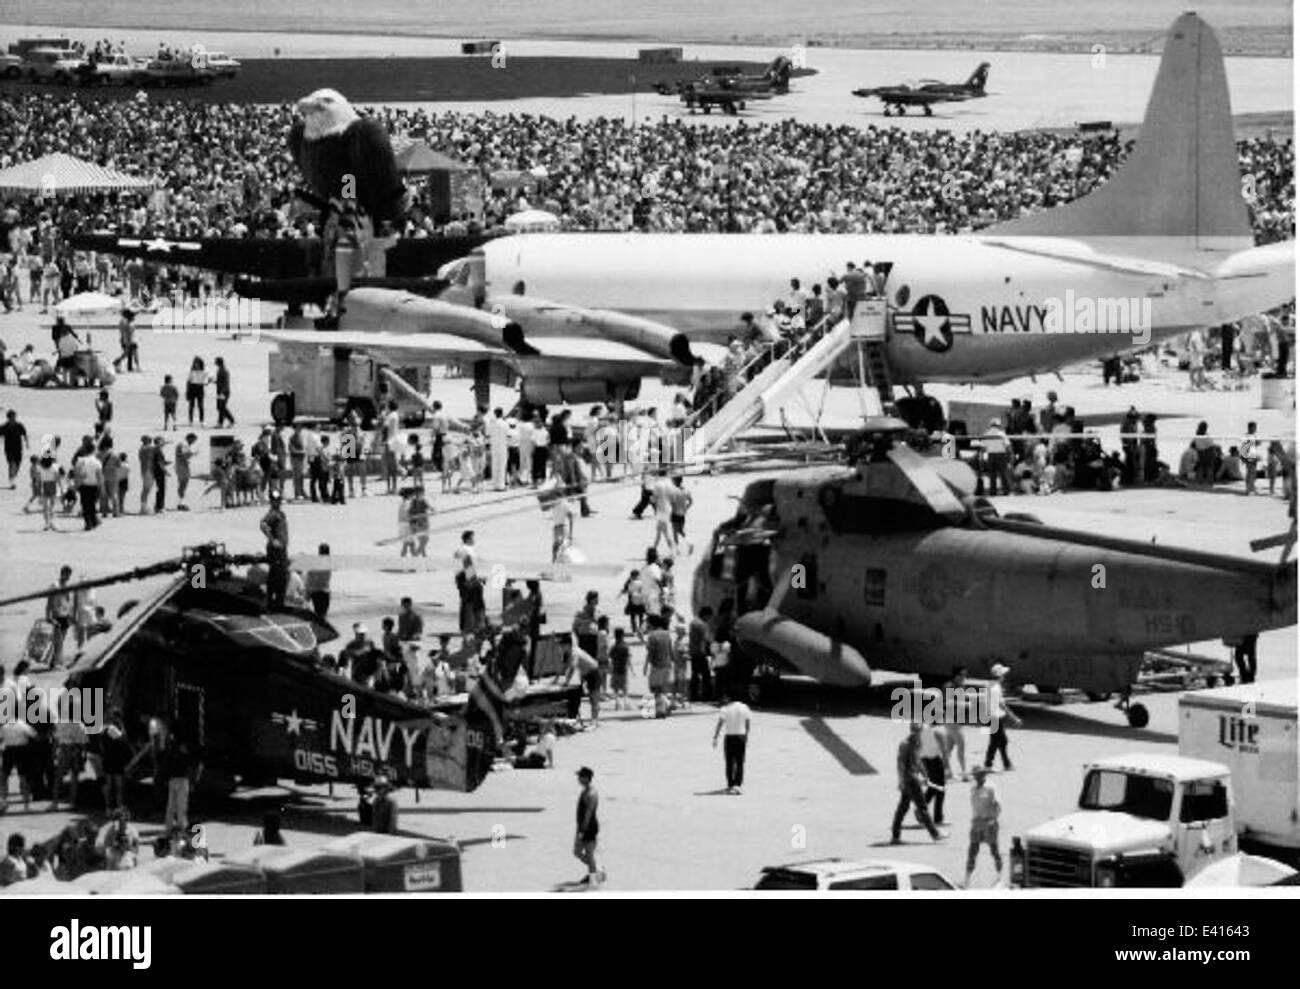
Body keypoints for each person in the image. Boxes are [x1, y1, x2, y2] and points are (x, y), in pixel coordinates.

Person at [891, 722, 942, 844]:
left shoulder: (918, 744)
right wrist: (901, 781)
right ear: (914, 731)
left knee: (903, 808)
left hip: (912, 778)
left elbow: (917, 761)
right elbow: (901, 765)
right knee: (922, 807)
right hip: (910, 779)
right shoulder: (905, 744)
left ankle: (895, 836)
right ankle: (935, 834)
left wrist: (925, 774)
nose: (920, 734)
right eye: (919, 731)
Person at [964, 766, 1002, 887]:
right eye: (975, 775)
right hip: (976, 823)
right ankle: (967, 878)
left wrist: (993, 818)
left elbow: (997, 804)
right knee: (972, 851)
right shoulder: (973, 789)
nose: (977, 777)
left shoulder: (991, 788)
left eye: (979, 775)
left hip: (989, 823)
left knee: (994, 850)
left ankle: (999, 875)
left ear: (984, 775)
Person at [983, 664, 1021, 771]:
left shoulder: (989, 685)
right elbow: (1002, 705)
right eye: (1003, 674)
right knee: (999, 741)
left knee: (999, 741)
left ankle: (1003, 764)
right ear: (1000, 676)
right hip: (993, 718)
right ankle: (991, 765)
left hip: (989, 717)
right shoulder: (996, 687)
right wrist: (1014, 718)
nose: (1004, 676)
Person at [712, 692, 751, 794]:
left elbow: (720, 724)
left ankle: (730, 784)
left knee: (729, 762)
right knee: (740, 761)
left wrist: (715, 737)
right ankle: (738, 785)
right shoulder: (745, 707)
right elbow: (747, 724)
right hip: (741, 736)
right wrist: (746, 736)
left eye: (725, 697)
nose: (724, 699)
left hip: (729, 737)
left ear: (729, 698)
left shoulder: (725, 709)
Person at [572, 766, 604, 886]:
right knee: (577, 852)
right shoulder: (585, 790)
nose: (578, 779)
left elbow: (588, 814)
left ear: (586, 778)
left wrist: (582, 831)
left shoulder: (591, 794)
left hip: (588, 828)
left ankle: (593, 879)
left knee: (589, 854)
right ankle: (597, 870)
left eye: (580, 776)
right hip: (582, 827)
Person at [260, 491, 290, 610]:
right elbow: (263, 525)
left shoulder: (280, 513)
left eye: (279, 499)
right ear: (271, 501)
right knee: (277, 576)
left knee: (279, 575)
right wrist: (272, 539)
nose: (277, 502)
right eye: (275, 500)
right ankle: (273, 602)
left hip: (281, 549)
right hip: (275, 550)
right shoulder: (272, 514)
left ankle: (277, 601)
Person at [1, 410, 28, 489]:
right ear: (8, 417)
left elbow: (24, 434)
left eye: (14, 416)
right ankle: (12, 483)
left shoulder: (19, 425)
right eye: (12, 416)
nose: (13, 418)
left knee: (17, 465)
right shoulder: (4, 426)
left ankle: (13, 477)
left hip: (18, 448)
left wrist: (27, 443)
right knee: (11, 464)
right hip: (9, 449)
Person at [306, 543, 332, 621]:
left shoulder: (315, 563)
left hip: (316, 592)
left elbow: (310, 578)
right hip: (325, 592)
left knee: (317, 614)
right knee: (323, 615)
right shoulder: (330, 563)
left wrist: (308, 593)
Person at [174, 432, 196, 510]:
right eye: (194, 440)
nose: (194, 442)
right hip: (183, 467)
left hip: (179, 466)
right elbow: (184, 456)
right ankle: (181, 503)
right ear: (190, 438)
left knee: (181, 484)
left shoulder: (181, 444)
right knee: (183, 484)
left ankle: (180, 502)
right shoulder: (184, 445)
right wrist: (193, 454)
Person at [186, 356, 207, 425]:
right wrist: (187, 392)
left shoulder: (204, 372)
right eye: (195, 363)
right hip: (192, 389)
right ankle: (190, 421)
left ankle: (202, 421)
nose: (196, 365)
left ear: (200, 364)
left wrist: (207, 381)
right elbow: (188, 381)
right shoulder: (191, 372)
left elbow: (206, 382)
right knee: (191, 406)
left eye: (197, 363)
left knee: (200, 406)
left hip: (200, 389)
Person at [214, 356, 234, 427]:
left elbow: (226, 383)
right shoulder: (220, 370)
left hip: (224, 392)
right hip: (220, 391)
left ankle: (231, 420)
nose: (214, 362)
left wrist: (222, 392)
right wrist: (214, 381)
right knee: (220, 407)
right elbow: (220, 381)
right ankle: (220, 423)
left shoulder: (224, 371)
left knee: (221, 407)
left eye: (215, 361)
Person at [1241, 422, 1260, 495]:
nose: (1255, 429)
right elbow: (1244, 447)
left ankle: (1251, 487)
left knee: (1253, 473)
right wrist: (1243, 457)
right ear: (1250, 428)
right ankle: (1248, 489)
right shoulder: (1247, 436)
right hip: (1249, 457)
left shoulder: (1253, 436)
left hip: (1252, 456)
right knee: (1250, 473)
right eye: (1254, 427)